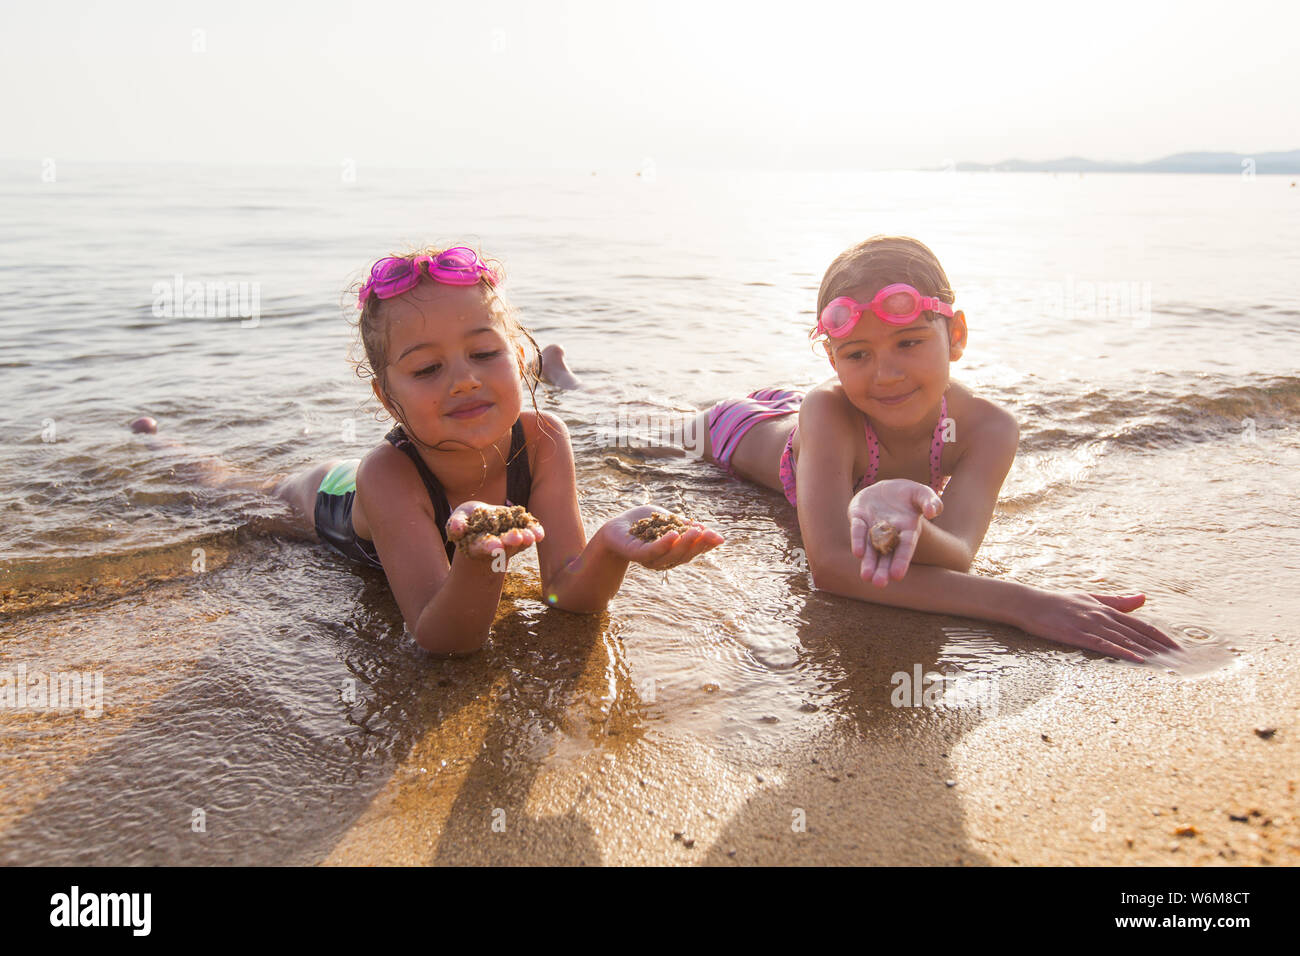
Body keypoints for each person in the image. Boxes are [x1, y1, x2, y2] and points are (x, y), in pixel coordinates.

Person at [142, 245, 723, 655]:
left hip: (393, 493)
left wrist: (611, 547)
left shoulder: (544, 441)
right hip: (329, 497)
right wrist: (480, 559)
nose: (464, 380)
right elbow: (441, 636)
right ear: (388, 397)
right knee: (230, 497)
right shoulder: (388, 476)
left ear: (519, 359)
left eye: (484, 354)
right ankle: (161, 445)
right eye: (426, 368)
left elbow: (564, 592)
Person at [697, 236, 1179, 663]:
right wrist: (1027, 603)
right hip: (740, 427)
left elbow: (957, 554)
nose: (886, 374)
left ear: (957, 337)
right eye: (857, 354)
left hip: (799, 420)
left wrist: (905, 526)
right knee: (645, 439)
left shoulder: (988, 428)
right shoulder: (828, 409)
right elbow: (830, 567)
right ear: (833, 360)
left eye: (909, 342)